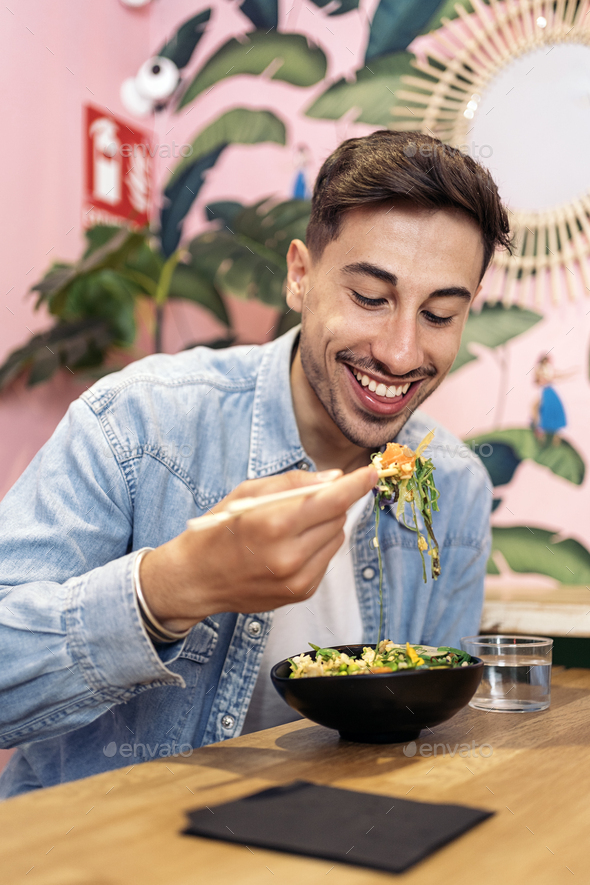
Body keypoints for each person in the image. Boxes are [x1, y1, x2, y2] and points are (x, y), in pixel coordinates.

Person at [0, 130, 511, 797]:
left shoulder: (454, 485)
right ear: (300, 275)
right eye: (369, 297)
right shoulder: (137, 424)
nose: (400, 352)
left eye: (440, 313)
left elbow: (432, 729)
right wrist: (170, 590)